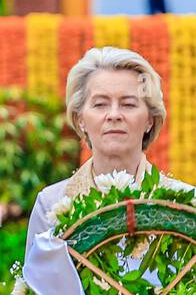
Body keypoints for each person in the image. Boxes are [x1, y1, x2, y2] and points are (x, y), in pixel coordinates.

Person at [26, 46, 188, 243]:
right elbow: (39, 274)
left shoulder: (184, 204)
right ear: (80, 119)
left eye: (128, 104)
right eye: (100, 104)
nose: (113, 115)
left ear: (150, 120)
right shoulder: (51, 205)